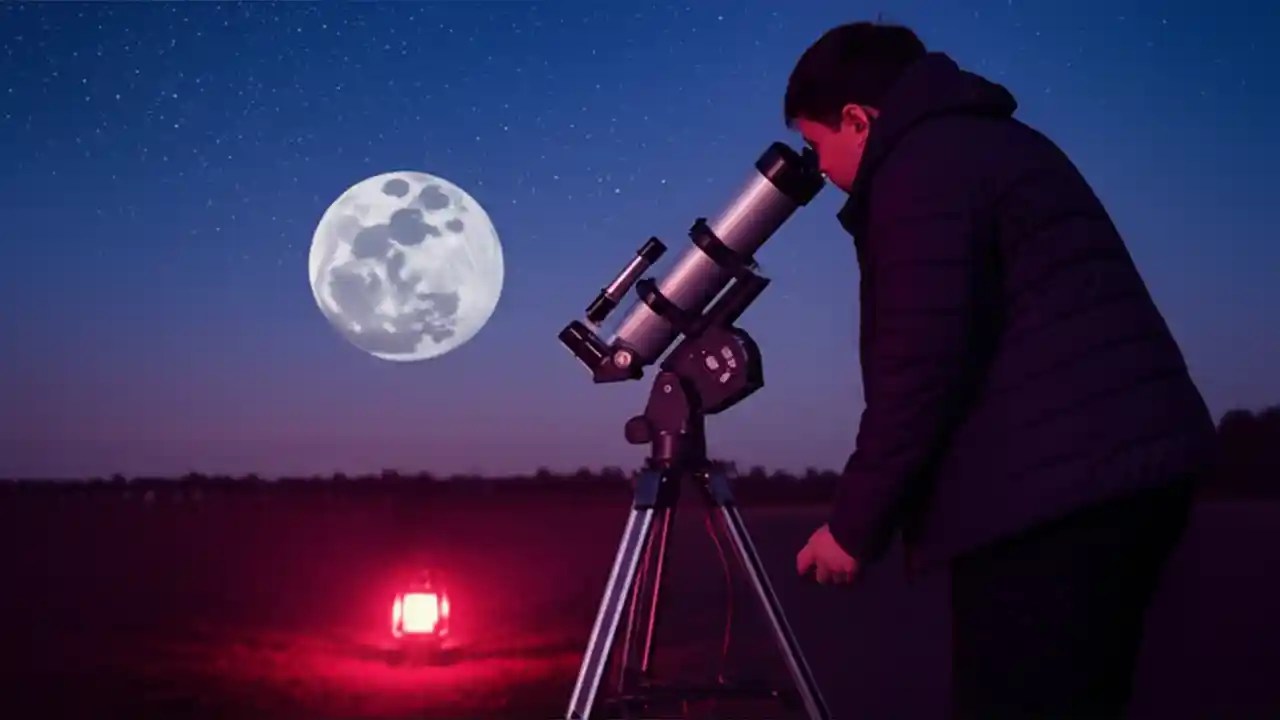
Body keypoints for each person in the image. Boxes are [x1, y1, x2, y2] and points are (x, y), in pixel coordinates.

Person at [787, 21, 1217, 719]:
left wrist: (852, 527)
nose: (823, 173)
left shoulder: (921, 169)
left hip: (1054, 500)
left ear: (858, 120)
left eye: (818, 146)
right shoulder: (985, 141)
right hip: (1106, 476)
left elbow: (921, 364)